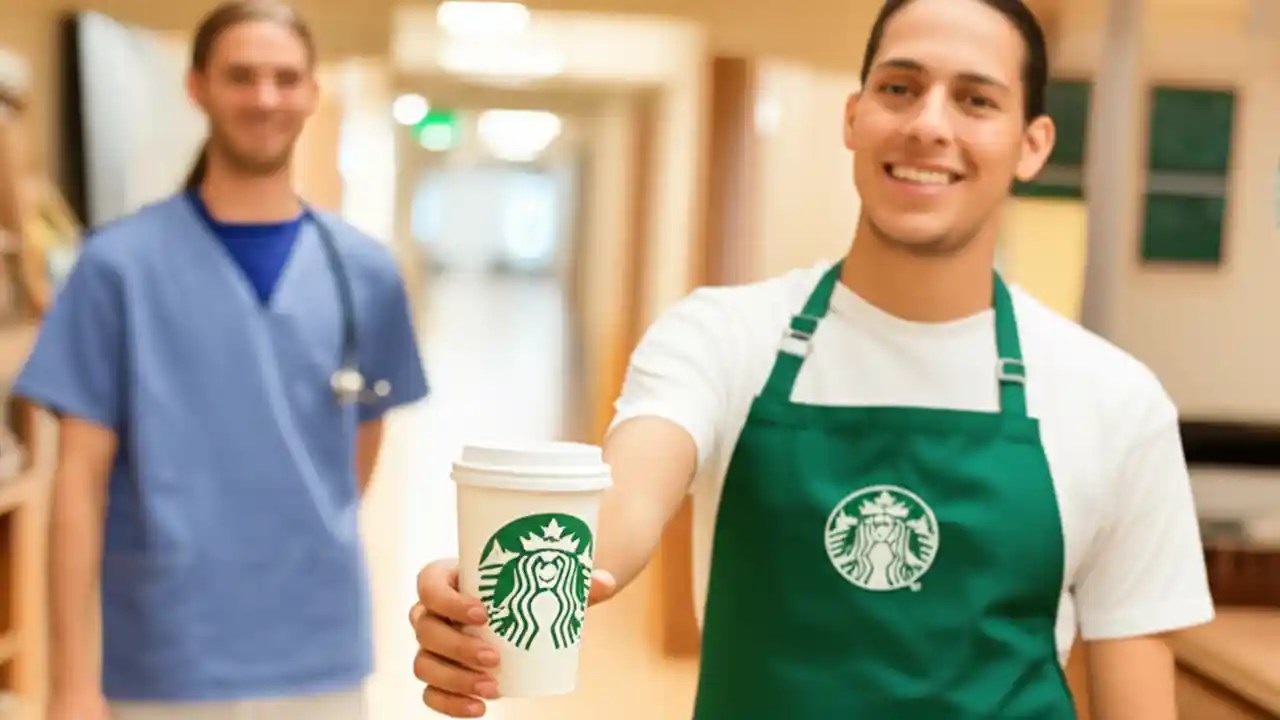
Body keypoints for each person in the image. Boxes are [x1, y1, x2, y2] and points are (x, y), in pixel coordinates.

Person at [409, 0, 1215, 716]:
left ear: (1032, 144)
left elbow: (1136, 697)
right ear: (854, 116)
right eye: (900, 88)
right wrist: (517, 582)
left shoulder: (1114, 400)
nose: (930, 123)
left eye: (975, 99)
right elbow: (625, 504)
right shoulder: (724, 337)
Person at [19, 2, 429, 718]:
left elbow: (358, 456)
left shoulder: (364, 273)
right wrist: (70, 684)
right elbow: (77, 486)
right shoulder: (117, 267)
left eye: (284, 78)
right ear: (198, 87)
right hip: (163, 651)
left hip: (317, 646)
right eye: (241, 76)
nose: (265, 98)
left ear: (311, 91)